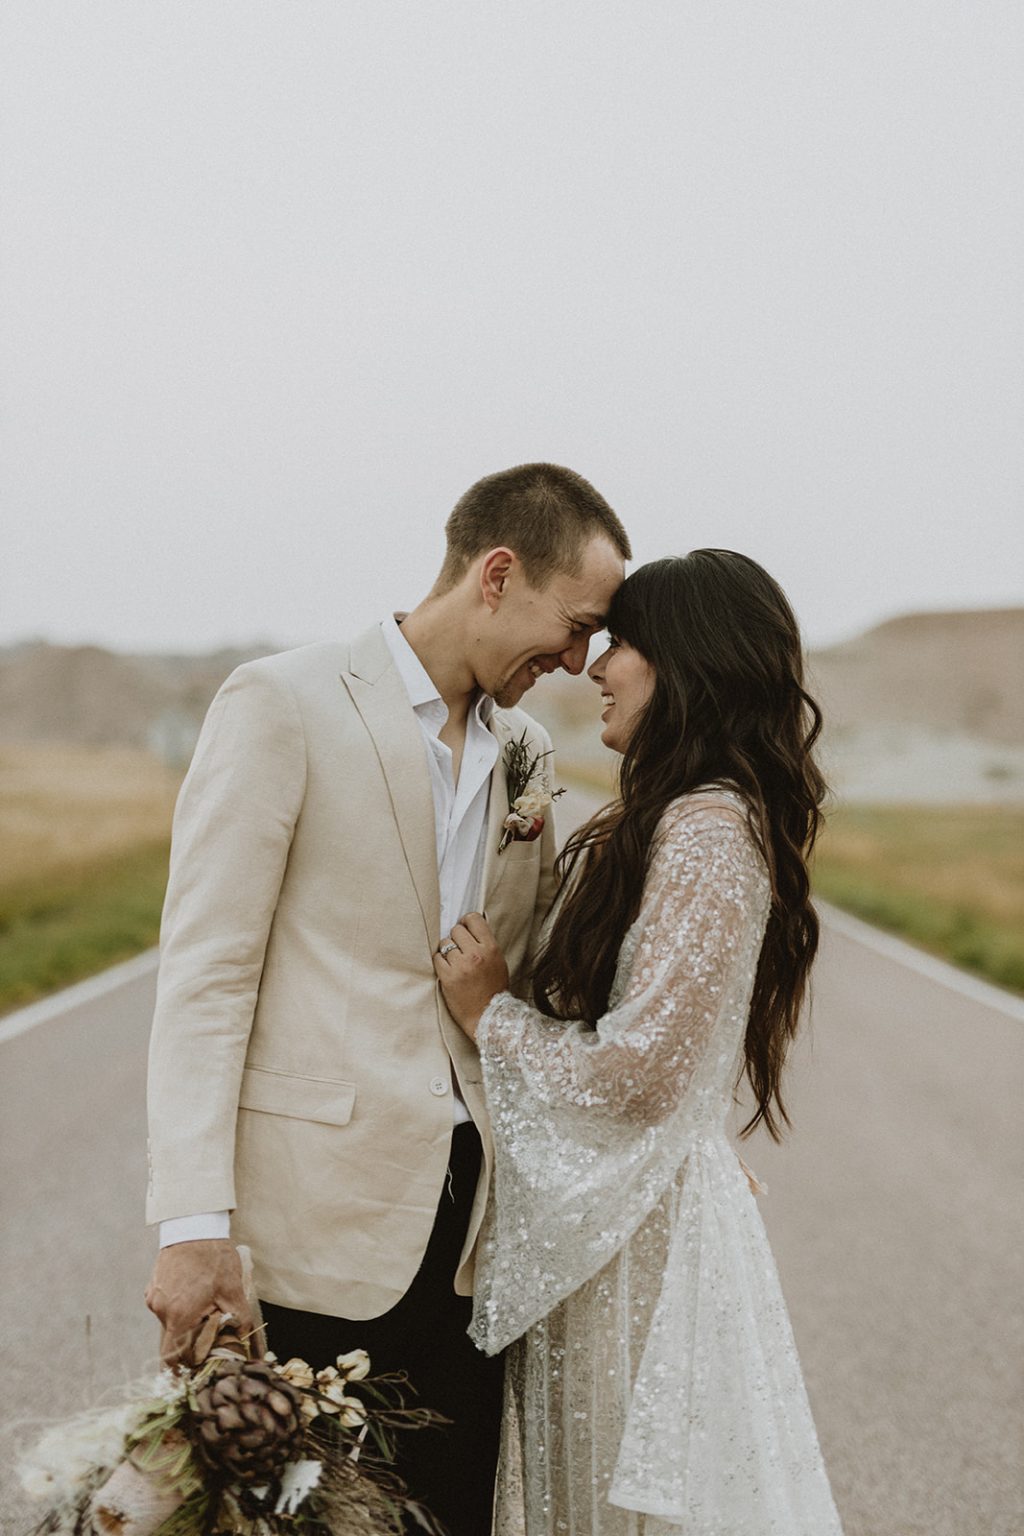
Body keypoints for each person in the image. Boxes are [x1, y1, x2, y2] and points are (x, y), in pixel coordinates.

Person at [144, 462, 630, 1536]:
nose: (576, 660)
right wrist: (192, 1226)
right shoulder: (284, 701)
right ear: (498, 575)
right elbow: (207, 976)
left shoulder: (527, 753)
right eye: (576, 624)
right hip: (314, 1224)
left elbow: (536, 975)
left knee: (445, 1517)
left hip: (471, 1238)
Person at [436, 551, 846, 1534]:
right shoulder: (687, 816)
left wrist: (489, 1010)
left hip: (639, 1252)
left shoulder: (705, 828)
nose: (594, 666)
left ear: (684, 665)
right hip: (631, 1215)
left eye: (621, 644)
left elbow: (637, 1068)